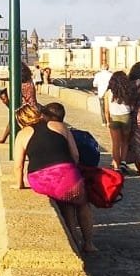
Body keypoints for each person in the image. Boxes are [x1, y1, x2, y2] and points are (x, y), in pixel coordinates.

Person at [15, 102, 96, 252]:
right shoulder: (60, 126)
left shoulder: (22, 134)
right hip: (68, 178)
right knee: (82, 203)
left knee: (64, 204)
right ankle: (89, 243)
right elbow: (76, 155)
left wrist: (19, 184)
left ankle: (73, 241)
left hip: (41, 181)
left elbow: (18, 166)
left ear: (21, 121)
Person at [105, 70, 135, 174]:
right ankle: (123, 163)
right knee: (125, 142)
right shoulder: (128, 92)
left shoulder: (109, 93)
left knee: (115, 144)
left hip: (114, 118)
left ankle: (116, 165)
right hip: (126, 117)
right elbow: (132, 107)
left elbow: (106, 110)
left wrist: (107, 121)